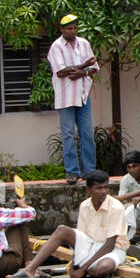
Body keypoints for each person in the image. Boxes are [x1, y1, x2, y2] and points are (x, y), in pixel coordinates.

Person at [17, 170, 127, 278]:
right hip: (90, 245)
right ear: (88, 190)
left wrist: (82, 269)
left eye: (106, 187)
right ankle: (30, 270)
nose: (104, 191)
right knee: (61, 230)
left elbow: (109, 245)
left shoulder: (116, 207)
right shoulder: (85, 205)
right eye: (99, 188)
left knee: (104, 268)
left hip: (113, 250)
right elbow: (80, 241)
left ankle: (87, 270)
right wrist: (75, 264)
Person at [47, 14, 98, 183]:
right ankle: (72, 171)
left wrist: (83, 72)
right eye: (69, 28)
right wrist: (84, 66)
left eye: (75, 28)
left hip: (83, 95)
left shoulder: (84, 43)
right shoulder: (56, 47)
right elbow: (61, 72)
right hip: (66, 97)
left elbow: (94, 68)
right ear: (62, 29)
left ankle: (89, 171)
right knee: (68, 134)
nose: (73, 31)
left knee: (87, 133)